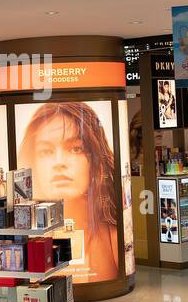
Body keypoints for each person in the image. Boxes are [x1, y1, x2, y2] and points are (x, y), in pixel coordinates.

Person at [17, 102, 119, 281]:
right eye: (46, 151)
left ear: (95, 158)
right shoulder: (25, 238)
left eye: (75, 149)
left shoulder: (114, 236)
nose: (59, 162)